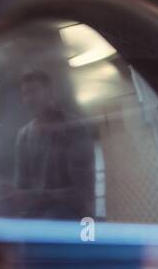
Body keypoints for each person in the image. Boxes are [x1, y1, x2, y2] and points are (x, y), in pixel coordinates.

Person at [9, 68, 97, 220]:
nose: (29, 99)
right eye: (25, 94)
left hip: (71, 219)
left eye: (34, 91)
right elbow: (21, 189)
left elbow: (81, 192)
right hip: (36, 218)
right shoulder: (23, 136)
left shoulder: (74, 128)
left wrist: (34, 197)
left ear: (49, 91)